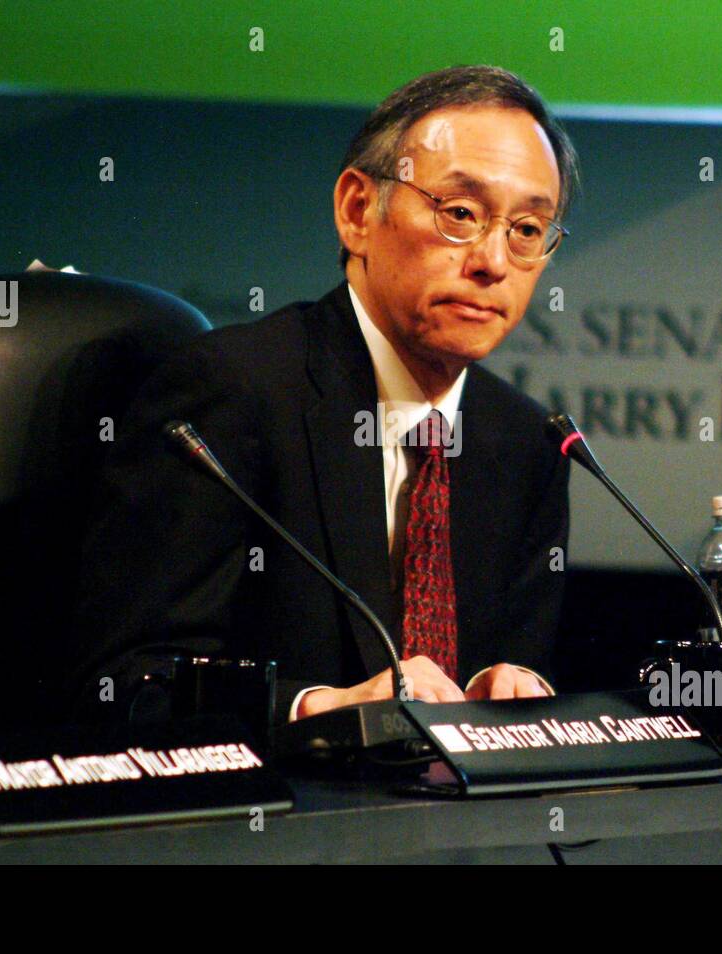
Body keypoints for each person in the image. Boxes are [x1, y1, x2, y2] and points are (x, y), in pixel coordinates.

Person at [68, 65, 580, 722]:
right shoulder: (231, 396)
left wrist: (510, 694)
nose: (493, 261)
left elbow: (511, 664)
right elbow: (125, 683)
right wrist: (321, 711)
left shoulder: (527, 444)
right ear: (357, 211)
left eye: (528, 229)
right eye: (460, 213)